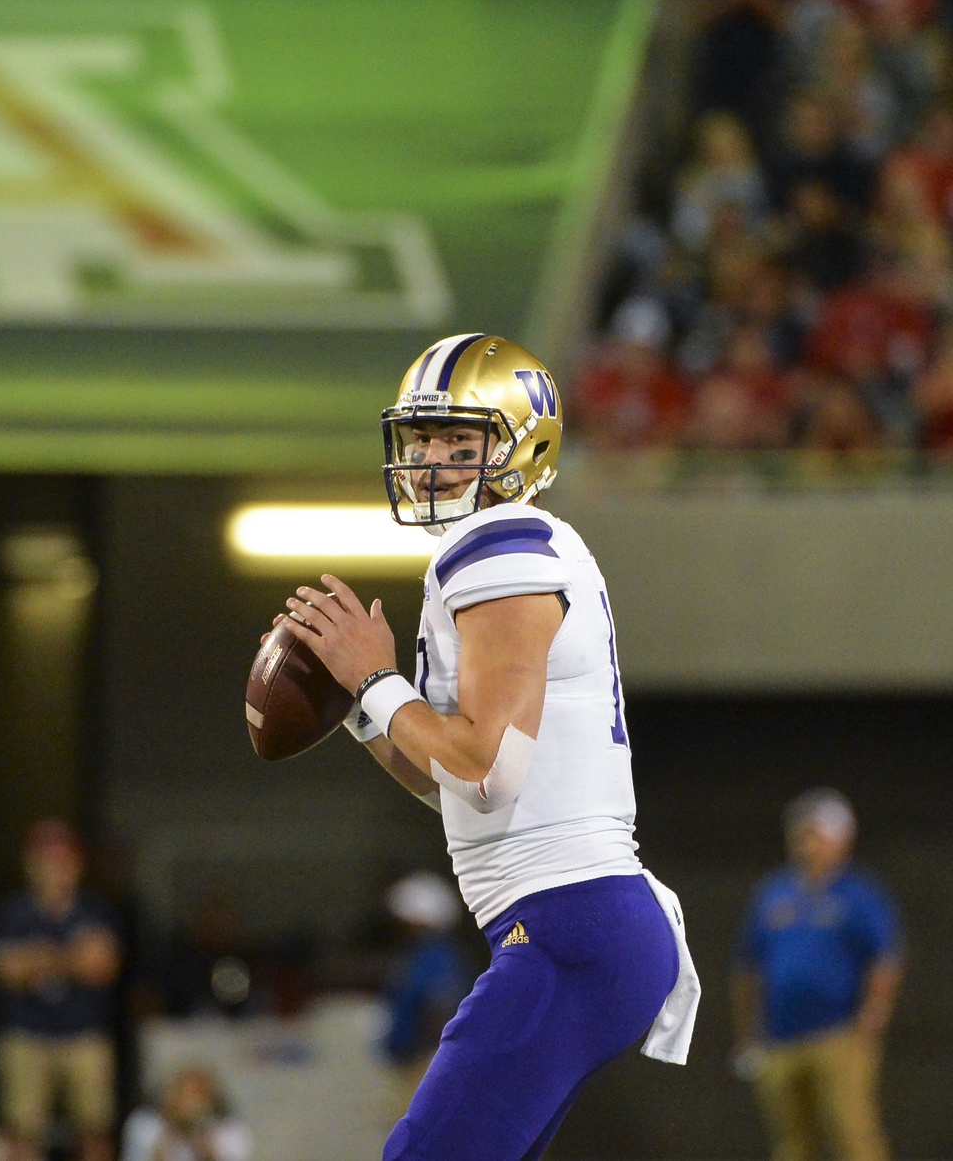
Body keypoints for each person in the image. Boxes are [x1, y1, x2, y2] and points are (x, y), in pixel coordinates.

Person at [272, 333, 700, 1161]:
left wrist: (375, 683)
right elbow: (451, 782)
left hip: (569, 918)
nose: (432, 459)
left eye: (458, 442)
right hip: (581, 923)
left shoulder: (496, 543)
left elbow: (484, 767)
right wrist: (365, 710)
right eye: (423, 439)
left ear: (517, 451)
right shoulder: (509, 549)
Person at [732, 788, 902, 1161]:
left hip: (838, 1036)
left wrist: (872, 1018)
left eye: (815, 833)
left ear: (842, 839)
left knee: (852, 1137)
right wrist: (747, 1031)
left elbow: (885, 959)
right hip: (779, 1039)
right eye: (800, 832)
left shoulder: (859, 894)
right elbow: (748, 965)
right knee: (791, 1144)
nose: (805, 843)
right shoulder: (774, 892)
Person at [0, 819, 122, 1161]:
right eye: (44, 861)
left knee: (93, 1129)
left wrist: (41, 959)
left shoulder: (96, 909)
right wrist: (71, 957)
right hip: (26, 1033)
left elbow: (102, 965)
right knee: (22, 1131)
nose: (52, 870)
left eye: (61, 861)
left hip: (83, 1033)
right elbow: (6, 969)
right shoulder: (13, 911)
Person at [378, 873, 472, 1118]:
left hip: (423, 1066)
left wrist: (429, 1061)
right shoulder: (418, 955)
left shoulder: (435, 957)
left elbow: (439, 1008)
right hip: (415, 1062)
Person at [119, 1065, 251, 1161]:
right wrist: (171, 1131)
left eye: (197, 1096)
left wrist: (199, 1139)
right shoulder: (145, 1123)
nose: (191, 1103)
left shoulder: (230, 1129)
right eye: (185, 1094)